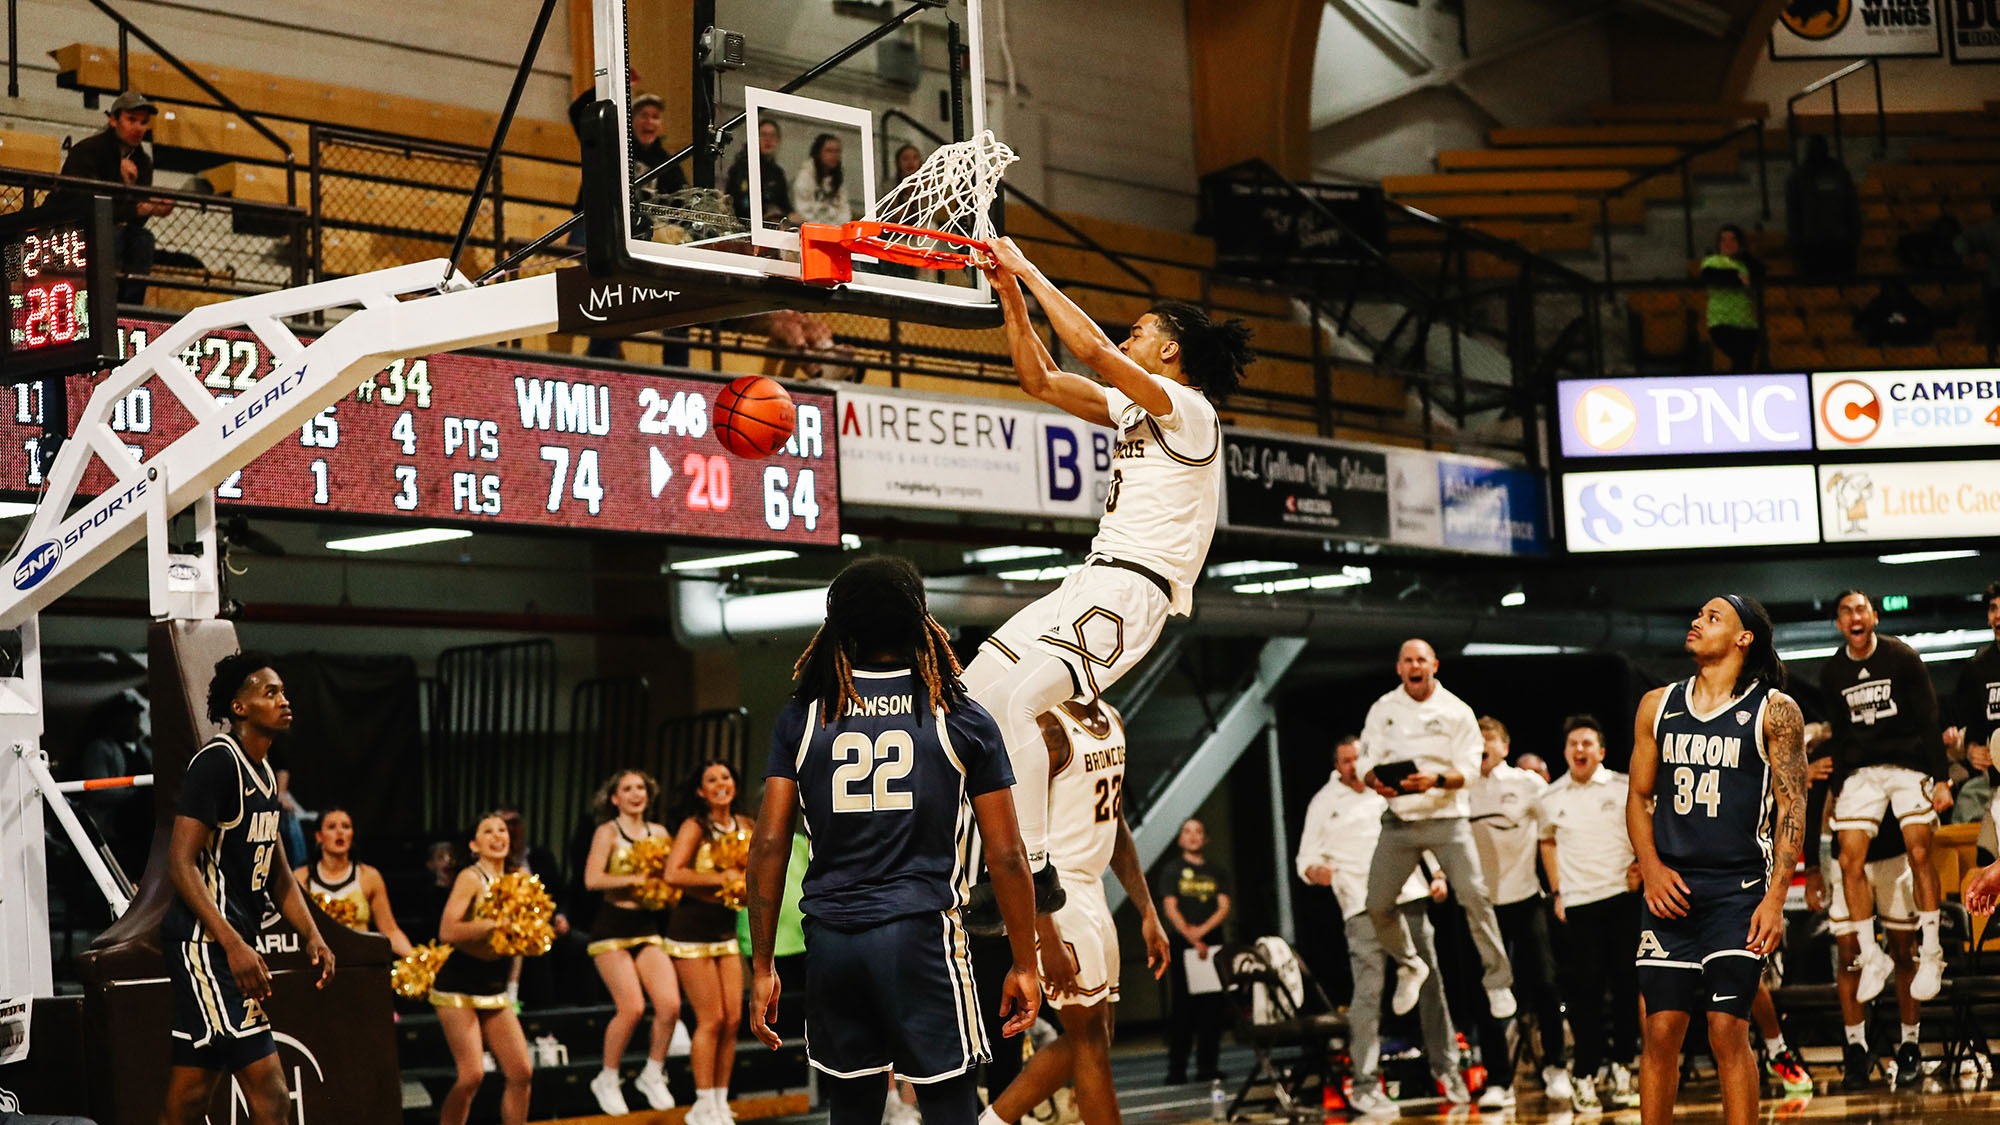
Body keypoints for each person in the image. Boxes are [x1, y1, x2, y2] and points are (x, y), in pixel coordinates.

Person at [964, 237, 1249, 910]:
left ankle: (1034, 871)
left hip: (1134, 590)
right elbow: (1040, 380)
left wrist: (1029, 269)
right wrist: (1011, 297)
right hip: (1092, 578)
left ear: (1170, 350)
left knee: (1017, 703)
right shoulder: (1137, 409)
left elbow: (1092, 351)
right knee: (969, 696)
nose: (1128, 338)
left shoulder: (1191, 411)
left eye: (1140, 332)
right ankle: (963, 856)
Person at [745, 556, 1042, 1125]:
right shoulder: (959, 715)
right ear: (922, 622)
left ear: (838, 628)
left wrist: (762, 968)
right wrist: (1024, 963)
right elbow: (1006, 855)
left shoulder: (803, 716)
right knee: (949, 1107)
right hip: (921, 937)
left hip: (832, 943)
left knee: (851, 1112)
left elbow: (767, 848)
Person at [1627, 594, 1807, 1125]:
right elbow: (1638, 798)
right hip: (1671, 886)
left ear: (1743, 638)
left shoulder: (1775, 710)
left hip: (1738, 888)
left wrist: (1775, 899)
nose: (1696, 622)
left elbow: (1793, 807)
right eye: (1698, 615)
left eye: (1713, 617)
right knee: (1660, 1029)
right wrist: (1651, 869)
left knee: (1727, 1027)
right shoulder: (1657, 704)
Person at [159, 653, 335, 1125]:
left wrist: (313, 934)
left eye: (283, 692)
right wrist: (234, 945)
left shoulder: (265, 770)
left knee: (190, 1097)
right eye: (270, 692)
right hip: (206, 946)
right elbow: (179, 863)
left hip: (226, 944)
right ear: (239, 707)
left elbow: (278, 872)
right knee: (273, 1097)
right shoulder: (217, 763)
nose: (284, 700)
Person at [979, 700, 1170, 1125]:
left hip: (1092, 889)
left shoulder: (1113, 719)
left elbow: (1115, 823)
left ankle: (989, 1122)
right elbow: (1023, 839)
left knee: (1098, 1034)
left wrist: (1147, 911)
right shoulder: (1048, 727)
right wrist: (1045, 933)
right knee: (1089, 1041)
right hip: (1056, 889)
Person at [1298, 737, 1464, 1112]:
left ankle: (1447, 1068)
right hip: (1360, 905)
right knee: (1368, 992)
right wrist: (1316, 871)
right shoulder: (1324, 802)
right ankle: (1365, 1083)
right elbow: (1305, 859)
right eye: (1345, 760)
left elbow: (1419, 832)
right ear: (1337, 765)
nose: (1352, 765)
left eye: (1357, 758)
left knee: (1431, 981)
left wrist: (1437, 873)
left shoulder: (1386, 791)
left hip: (1407, 895)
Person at [1356, 640, 1516, 1026]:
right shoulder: (1383, 709)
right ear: (1399, 668)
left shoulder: (1455, 710)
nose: (1415, 666)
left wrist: (1436, 780)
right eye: (1408, 660)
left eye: (1421, 660)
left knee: (1475, 896)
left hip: (1446, 818)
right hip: (1399, 821)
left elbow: (1470, 770)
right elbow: (1365, 761)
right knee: (1377, 905)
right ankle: (1410, 964)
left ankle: (1497, 981)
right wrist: (1378, 781)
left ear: (1434, 665)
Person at [1819, 590, 1951, 1003]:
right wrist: (1838, 786)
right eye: (1846, 611)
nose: (1854, 616)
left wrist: (1942, 779)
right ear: (1839, 624)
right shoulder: (1832, 671)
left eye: (1861, 609)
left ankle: (1932, 952)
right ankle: (1871, 955)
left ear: (1874, 616)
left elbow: (1929, 718)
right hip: (1862, 771)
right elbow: (1839, 735)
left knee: (1919, 848)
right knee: (1848, 858)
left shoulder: (1902, 657)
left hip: (1908, 764)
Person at [1535, 715, 1640, 1112]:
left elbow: (1646, 829)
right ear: (1565, 752)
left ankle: (1622, 1066)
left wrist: (1641, 867)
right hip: (1579, 905)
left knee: (1627, 987)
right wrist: (1558, 891)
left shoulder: (1623, 786)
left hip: (1622, 898)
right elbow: (1547, 842)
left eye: (1587, 743)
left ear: (1601, 751)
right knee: (1585, 993)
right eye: (1573, 744)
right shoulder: (1550, 797)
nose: (1579, 750)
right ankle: (1585, 1072)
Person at [1464, 717, 1563, 1109]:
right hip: (1480, 908)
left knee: (1544, 983)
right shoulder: (1460, 787)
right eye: (1476, 739)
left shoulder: (1527, 784)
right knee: (1484, 992)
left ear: (1504, 747)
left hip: (1525, 898)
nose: (1482, 745)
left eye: (1489, 738)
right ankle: (1498, 1080)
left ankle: (1556, 1066)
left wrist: (1560, 888)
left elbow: (1554, 832)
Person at [580, 769, 680, 1116]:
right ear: (614, 798)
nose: (636, 794)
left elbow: (669, 877)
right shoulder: (607, 832)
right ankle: (607, 1077)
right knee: (632, 1007)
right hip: (612, 928)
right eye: (627, 789)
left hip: (646, 926)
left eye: (641, 788)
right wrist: (636, 879)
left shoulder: (660, 833)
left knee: (670, 1006)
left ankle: (652, 1072)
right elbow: (592, 879)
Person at [662, 761, 753, 1125]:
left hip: (725, 931)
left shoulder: (746, 825)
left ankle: (719, 1100)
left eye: (726, 777)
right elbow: (673, 873)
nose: (720, 784)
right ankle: (701, 1103)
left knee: (733, 1019)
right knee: (711, 1019)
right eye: (711, 780)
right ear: (700, 791)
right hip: (690, 931)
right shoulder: (695, 826)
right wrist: (722, 877)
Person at [432, 813, 534, 1125]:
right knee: (471, 1075)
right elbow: (448, 931)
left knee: (521, 1071)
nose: (497, 836)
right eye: (487, 831)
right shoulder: (471, 877)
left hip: (494, 983)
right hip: (458, 983)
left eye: (502, 830)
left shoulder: (519, 878)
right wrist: (493, 924)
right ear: (474, 845)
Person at [55, 91, 173, 304]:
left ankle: (130, 308)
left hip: (114, 227)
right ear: (113, 120)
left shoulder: (142, 161)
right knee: (112, 235)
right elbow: (84, 202)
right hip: (73, 226)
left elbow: (136, 218)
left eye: (143, 122)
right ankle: (102, 302)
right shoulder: (89, 150)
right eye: (131, 120)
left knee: (144, 239)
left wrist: (148, 207)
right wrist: (134, 205)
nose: (138, 128)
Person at [1153, 817, 1230, 1086]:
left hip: (1212, 944)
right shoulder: (1172, 870)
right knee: (1182, 1008)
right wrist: (1191, 936)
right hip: (1183, 944)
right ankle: (1177, 1069)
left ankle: (1208, 1067)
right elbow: (1170, 907)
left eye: (1198, 831)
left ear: (1205, 838)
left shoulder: (1216, 871)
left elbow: (1223, 906)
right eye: (1187, 831)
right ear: (1180, 839)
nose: (1193, 836)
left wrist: (1202, 933)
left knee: (1212, 1008)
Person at [295, 808, 413, 957]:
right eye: (332, 827)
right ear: (319, 836)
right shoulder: (301, 878)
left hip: (361, 961)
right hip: (317, 962)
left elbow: (390, 930)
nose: (340, 832)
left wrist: (416, 958)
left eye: (346, 827)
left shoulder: (369, 877)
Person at [73, 689, 151, 875]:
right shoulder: (100, 749)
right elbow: (98, 791)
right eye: (125, 716)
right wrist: (135, 795)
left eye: (134, 715)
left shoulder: (143, 748)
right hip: (116, 821)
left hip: (145, 821)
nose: (131, 721)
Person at [1784, 136, 1861, 277]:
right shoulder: (1800, 176)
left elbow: (1852, 207)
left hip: (1836, 243)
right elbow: (1793, 213)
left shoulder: (1838, 173)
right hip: (1815, 244)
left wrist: (1853, 238)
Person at [1699, 225, 1761, 373]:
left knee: (1745, 362)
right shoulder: (1712, 261)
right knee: (1741, 358)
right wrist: (1740, 280)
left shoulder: (1745, 264)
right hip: (1722, 322)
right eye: (1724, 240)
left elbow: (1760, 276)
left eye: (1733, 240)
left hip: (1747, 323)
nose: (1728, 244)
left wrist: (1746, 276)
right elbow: (1713, 277)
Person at [1953, 196, 2000, 356]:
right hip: (1997, 285)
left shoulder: (1988, 228)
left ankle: (1992, 356)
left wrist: (1965, 255)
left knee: (1994, 324)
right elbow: (1961, 242)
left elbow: (1960, 242)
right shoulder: (1989, 228)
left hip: (1997, 285)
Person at [726, 119, 794, 226]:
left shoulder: (777, 174)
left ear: (778, 140)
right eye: (764, 135)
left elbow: (785, 206)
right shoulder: (741, 169)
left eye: (772, 135)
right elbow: (735, 205)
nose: (768, 140)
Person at [1856, 279, 1937, 348]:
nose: (1893, 294)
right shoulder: (1876, 306)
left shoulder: (1913, 305)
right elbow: (1860, 323)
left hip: (1910, 340)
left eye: (1895, 291)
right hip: (1885, 341)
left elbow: (1926, 321)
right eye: (1889, 290)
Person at [793, 134, 852, 227]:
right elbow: (803, 210)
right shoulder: (805, 176)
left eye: (837, 151)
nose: (834, 155)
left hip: (834, 229)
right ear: (818, 152)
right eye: (829, 151)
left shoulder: (838, 179)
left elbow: (844, 210)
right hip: (810, 227)